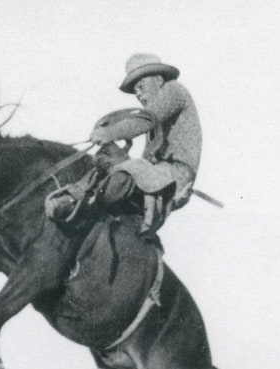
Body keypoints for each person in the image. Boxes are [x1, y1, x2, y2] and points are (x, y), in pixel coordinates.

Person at [46, 53, 202, 237]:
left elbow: (144, 120)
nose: (138, 94)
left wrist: (109, 133)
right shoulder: (159, 115)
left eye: (141, 86)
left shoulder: (173, 90)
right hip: (160, 170)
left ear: (159, 79)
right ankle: (77, 195)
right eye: (136, 90)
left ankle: (79, 203)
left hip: (175, 172)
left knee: (127, 172)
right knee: (109, 157)